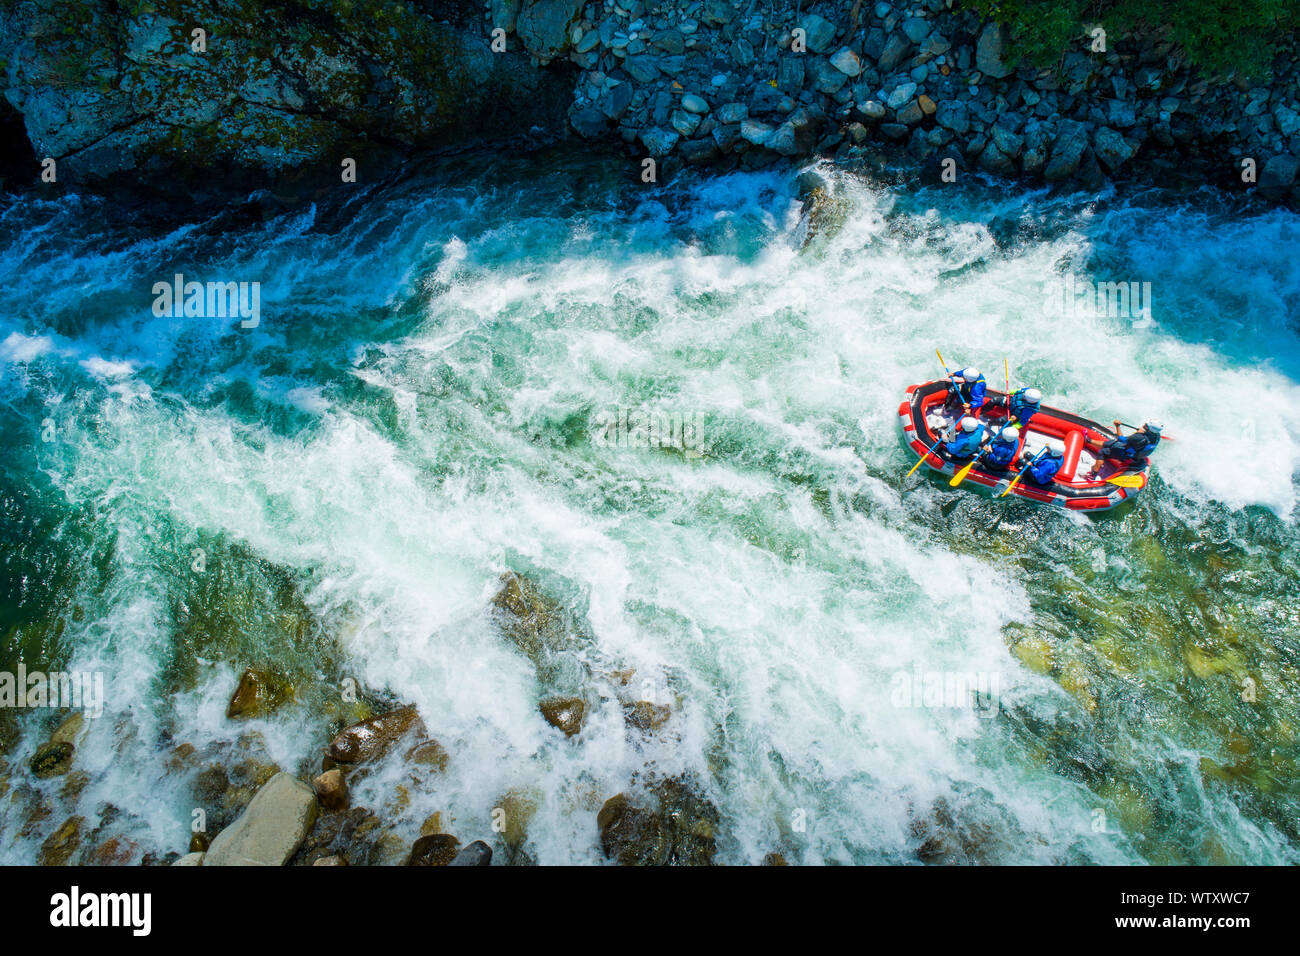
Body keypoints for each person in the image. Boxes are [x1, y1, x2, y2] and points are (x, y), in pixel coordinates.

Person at [1096, 421, 1162, 464]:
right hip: (1137, 453)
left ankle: (1093, 474)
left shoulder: (1139, 437)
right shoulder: (1157, 436)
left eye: (1146, 425)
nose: (1144, 424)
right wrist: (1143, 433)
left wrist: (1117, 426)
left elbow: (1121, 439)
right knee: (1110, 443)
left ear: (1148, 429)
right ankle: (1089, 440)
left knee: (1102, 452)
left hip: (1127, 455)